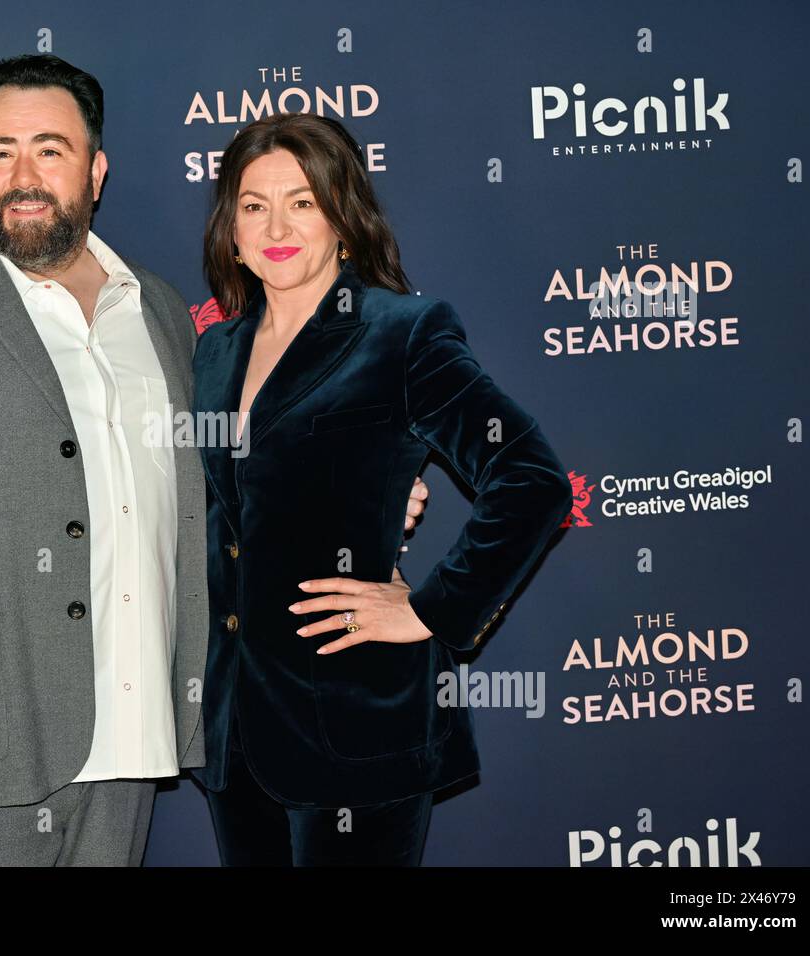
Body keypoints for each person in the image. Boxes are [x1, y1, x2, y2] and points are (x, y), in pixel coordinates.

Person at [0, 53, 432, 866]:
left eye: (50, 150)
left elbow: (225, 489)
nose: (23, 175)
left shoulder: (161, 310)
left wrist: (359, 494)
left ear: (95, 171)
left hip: (136, 746)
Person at [191, 113, 574, 866]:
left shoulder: (400, 333)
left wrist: (433, 607)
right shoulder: (214, 350)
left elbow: (531, 479)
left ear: (343, 217)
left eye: (302, 201)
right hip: (237, 734)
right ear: (229, 228)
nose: (277, 225)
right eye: (254, 204)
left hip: (359, 722)